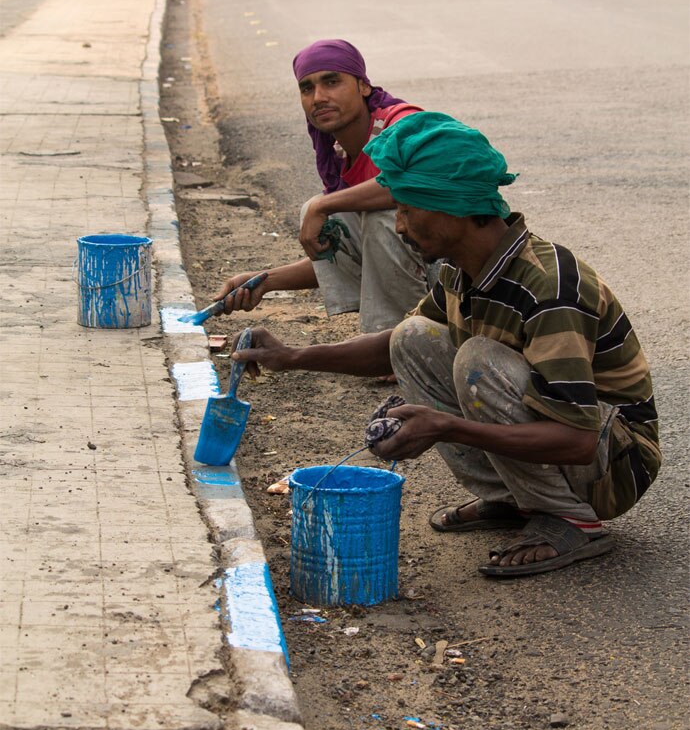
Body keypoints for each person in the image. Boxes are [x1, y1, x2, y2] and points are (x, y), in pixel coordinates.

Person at [230, 111, 661, 579]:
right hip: (578, 443)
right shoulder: (464, 269)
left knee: (478, 362)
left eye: (409, 209)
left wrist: (446, 427)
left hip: (613, 461)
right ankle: (514, 500)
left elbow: (577, 441)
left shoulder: (548, 286)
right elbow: (394, 346)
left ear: (454, 206)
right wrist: (292, 357)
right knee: (415, 338)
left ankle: (569, 517)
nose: (399, 226)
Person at [215, 39, 432, 333]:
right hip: (427, 268)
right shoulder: (340, 155)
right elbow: (343, 251)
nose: (318, 97)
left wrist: (324, 205)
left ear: (363, 87)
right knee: (336, 216)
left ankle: (403, 335)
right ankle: (392, 335)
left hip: (466, 281)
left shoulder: (401, 124)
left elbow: (406, 184)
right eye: (307, 88)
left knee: (381, 216)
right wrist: (263, 281)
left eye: (332, 82)